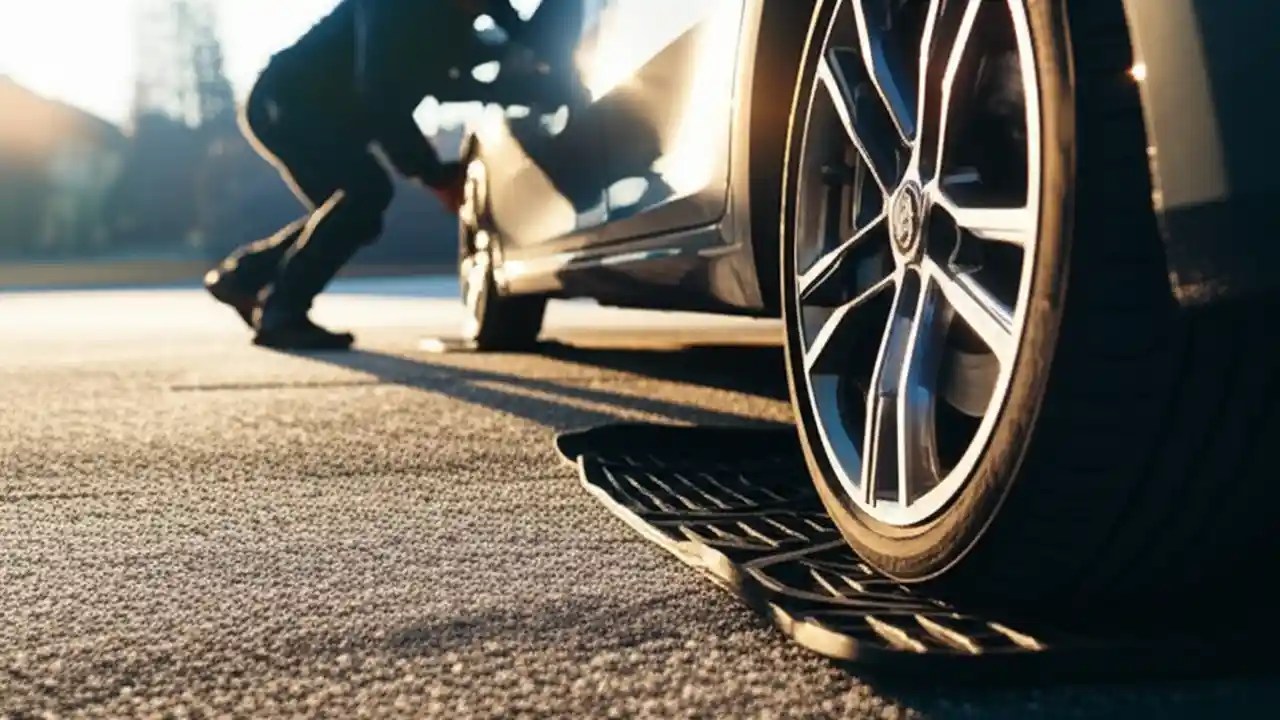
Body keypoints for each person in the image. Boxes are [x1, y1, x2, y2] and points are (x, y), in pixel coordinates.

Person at [204, 0, 534, 350]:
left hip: (324, 112)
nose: (479, 11)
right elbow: (381, 94)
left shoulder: (476, 12)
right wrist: (433, 174)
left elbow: (486, 54)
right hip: (287, 102)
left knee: (357, 216)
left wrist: (522, 74)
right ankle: (282, 313)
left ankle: (244, 278)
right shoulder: (392, 9)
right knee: (366, 194)